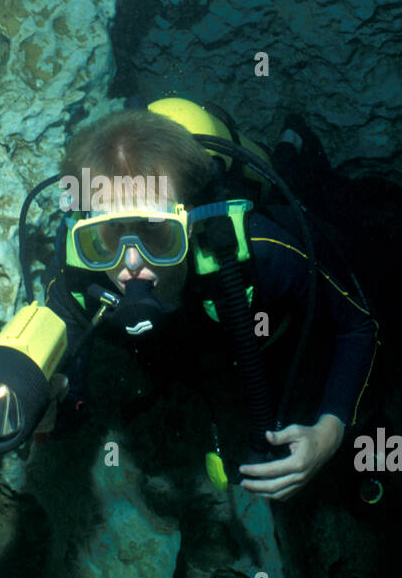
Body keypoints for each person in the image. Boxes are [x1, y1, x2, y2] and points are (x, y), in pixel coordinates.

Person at [37, 100, 379, 502]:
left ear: (192, 223)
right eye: (110, 233)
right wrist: (49, 413)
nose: (131, 264)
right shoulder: (78, 270)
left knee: (325, 209)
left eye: (156, 231)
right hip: (204, 351)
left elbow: (357, 325)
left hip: (271, 335)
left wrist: (330, 430)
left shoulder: (261, 251)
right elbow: (68, 388)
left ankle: (293, 143)